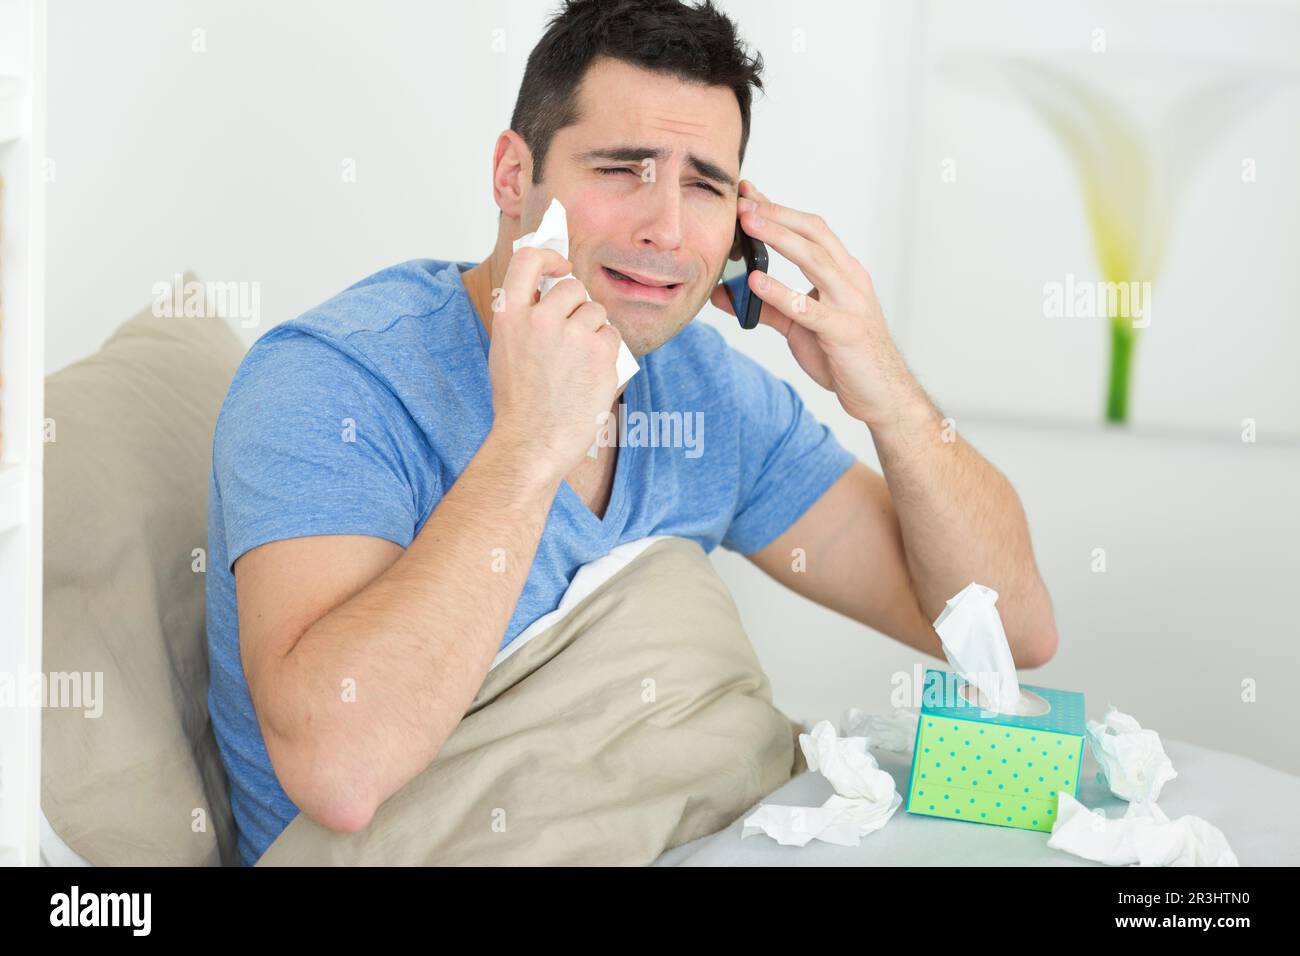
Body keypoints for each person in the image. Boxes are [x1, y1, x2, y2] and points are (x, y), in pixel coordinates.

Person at [206, 0, 1058, 866]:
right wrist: (532, 445)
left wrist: (893, 404)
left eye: (705, 186)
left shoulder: (703, 388)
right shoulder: (330, 382)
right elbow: (339, 772)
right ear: (512, 176)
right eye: (622, 169)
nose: (667, 228)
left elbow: (1009, 632)